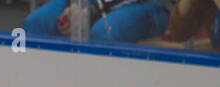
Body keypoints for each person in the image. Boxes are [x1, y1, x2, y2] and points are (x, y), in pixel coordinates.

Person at [22, 0, 172, 43]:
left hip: (143, 4)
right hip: (91, 4)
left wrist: (93, 11)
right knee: (36, 23)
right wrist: (73, 5)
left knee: (102, 34)